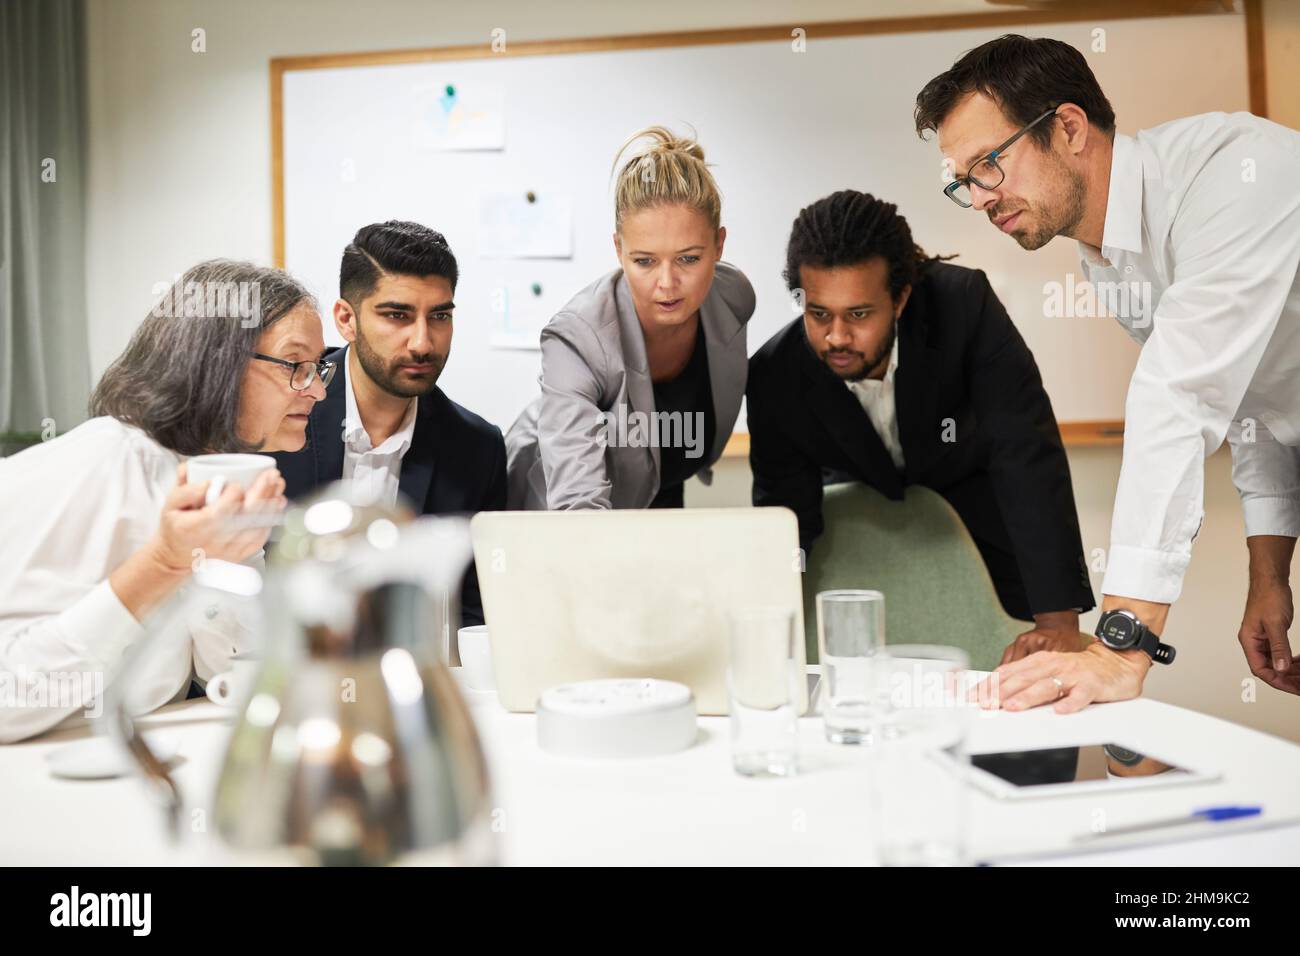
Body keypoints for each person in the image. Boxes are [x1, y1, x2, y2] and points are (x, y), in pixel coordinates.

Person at [915, 33, 1300, 710]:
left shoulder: (1237, 172)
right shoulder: (1106, 259)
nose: (977, 199)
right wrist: (1270, 572)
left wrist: (1122, 647)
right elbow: (1251, 405)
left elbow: (1179, 398)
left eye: (987, 166)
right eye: (960, 182)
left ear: (1067, 127)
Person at [748, 189, 1093, 662]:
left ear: (901, 297)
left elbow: (1024, 453)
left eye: (860, 314)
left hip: (984, 526)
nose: (837, 337)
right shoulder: (774, 374)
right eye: (818, 313)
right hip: (864, 546)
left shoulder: (963, 306)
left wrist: (1057, 620)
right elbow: (785, 520)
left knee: (1032, 687)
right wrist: (774, 640)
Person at [0, 260, 326, 742]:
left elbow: (231, 675)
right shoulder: (105, 463)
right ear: (217, 361)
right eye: (295, 365)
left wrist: (226, 567)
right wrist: (162, 564)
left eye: (319, 367)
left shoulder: (215, 476)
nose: (317, 389)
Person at [506, 126, 754, 510]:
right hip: (555, 509)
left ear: (719, 245)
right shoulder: (577, 337)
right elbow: (578, 505)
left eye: (689, 258)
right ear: (619, 250)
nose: (667, 283)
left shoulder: (732, 296)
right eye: (645, 261)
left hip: (658, 483)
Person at [272, 220, 505, 627]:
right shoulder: (275, 414)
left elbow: (475, 613)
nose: (422, 342)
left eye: (439, 316)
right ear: (346, 319)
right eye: (397, 315)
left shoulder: (477, 448)